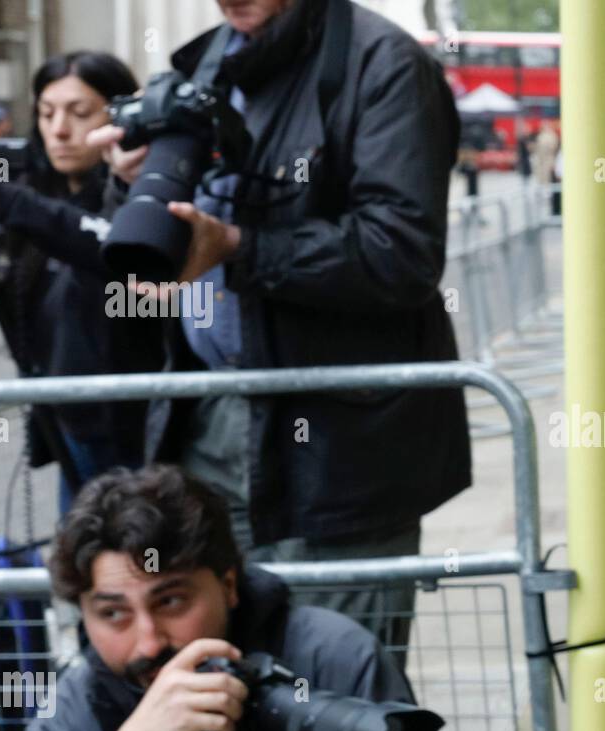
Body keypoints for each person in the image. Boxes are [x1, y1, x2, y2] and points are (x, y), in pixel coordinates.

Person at [88, 0, 471, 669]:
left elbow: (402, 253)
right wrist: (133, 184)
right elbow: (166, 235)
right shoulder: (206, 60)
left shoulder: (384, 65)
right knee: (220, 683)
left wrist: (237, 246)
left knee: (339, 690)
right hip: (205, 428)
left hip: (337, 449)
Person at [0, 464, 475, 731]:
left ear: (228, 585)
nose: (148, 641)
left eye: (171, 601)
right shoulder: (76, 709)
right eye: (112, 614)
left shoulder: (331, 659)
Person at [0, 52, 163, 510]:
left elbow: (98, 244)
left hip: (130, 431)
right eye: (46, 114)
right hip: (66, 420)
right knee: (78, 568)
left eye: (80, 112)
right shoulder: (34, 191)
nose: (60, 130)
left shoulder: (140, 191)